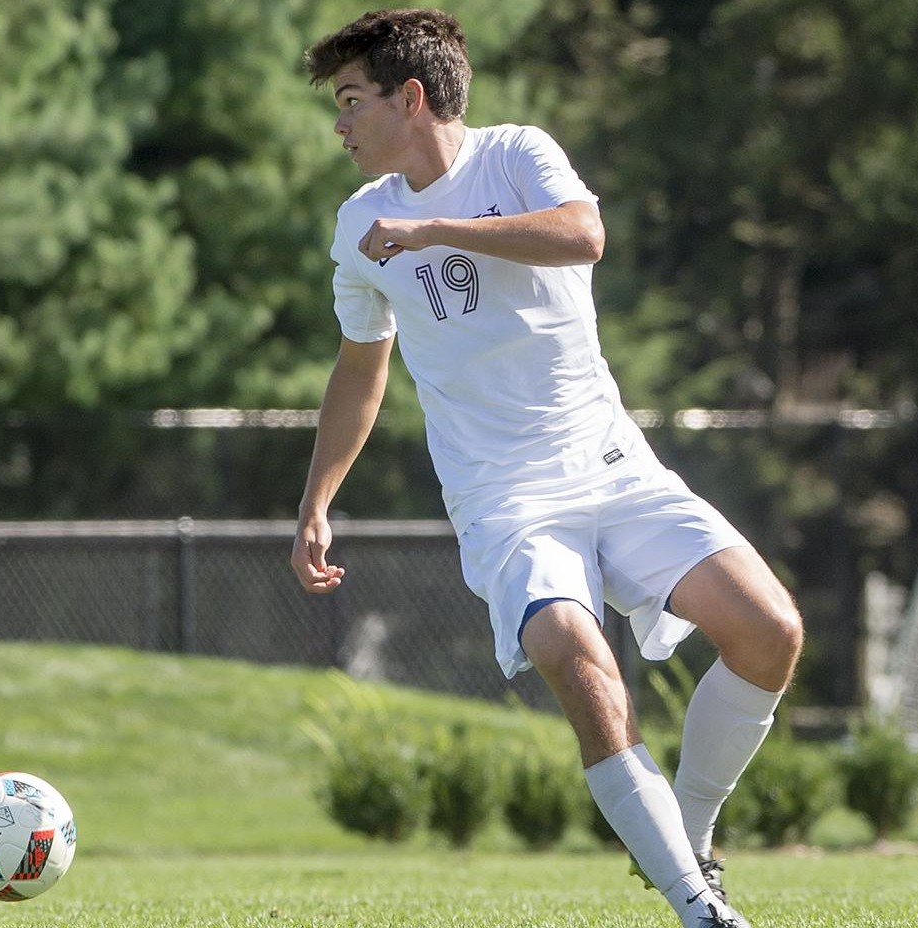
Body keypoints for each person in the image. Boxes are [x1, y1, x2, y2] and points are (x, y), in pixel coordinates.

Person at [289, 10, 803, 928]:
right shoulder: (358, 223)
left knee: (770, 631)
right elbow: (361, 369)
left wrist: (434, 230)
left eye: (353, 100)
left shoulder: (517, 153)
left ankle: (686, 833)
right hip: (505, 500)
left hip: (614, 467)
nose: (340, 123)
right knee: (579, 659)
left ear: (411, 98)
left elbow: (582, 234)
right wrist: (316, 501)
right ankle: (698, 907)